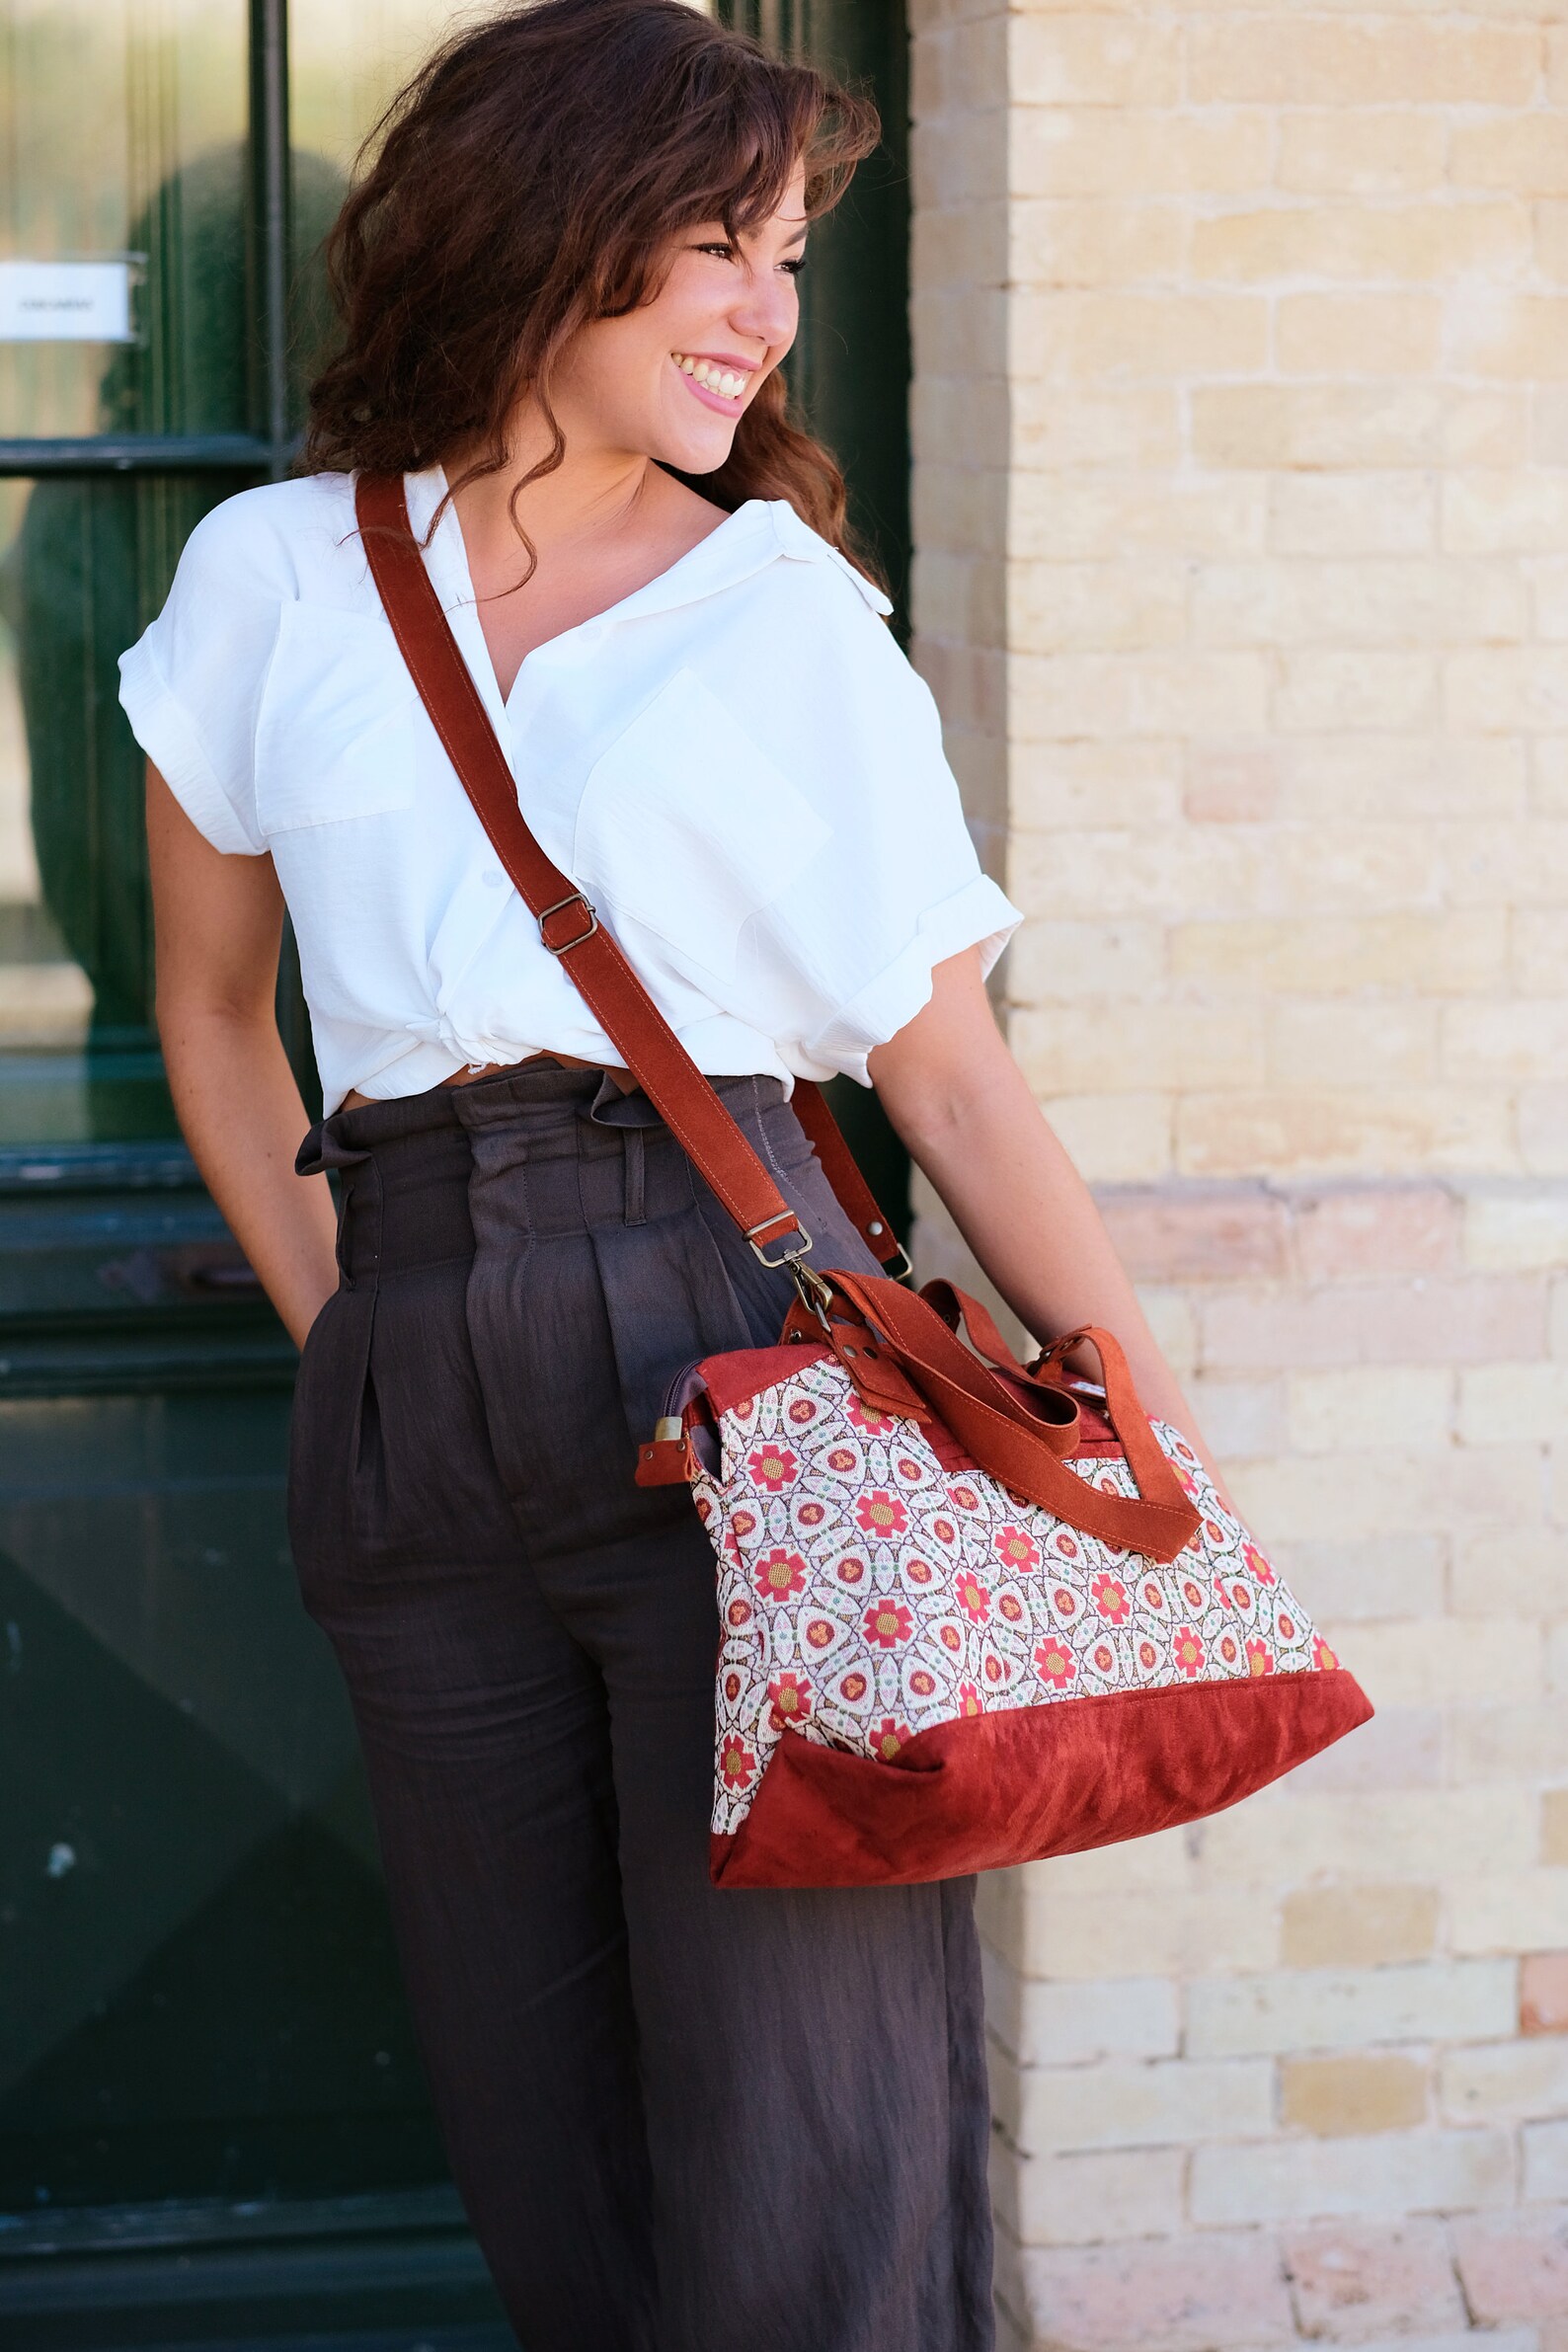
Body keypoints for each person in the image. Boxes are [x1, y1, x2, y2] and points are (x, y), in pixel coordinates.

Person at [118, 5, 1228, 2345]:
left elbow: (945, 1079)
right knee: (549, 2149)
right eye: (714, 245)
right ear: (540, 237)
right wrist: (361, 1333)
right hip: (417, 1351)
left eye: (795, 254)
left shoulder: (785, 621)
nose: (765, 308)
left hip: (739, 1352)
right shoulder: (275, 577)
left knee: (796, 2144)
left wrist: (1125, 1400)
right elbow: (215, 1015)